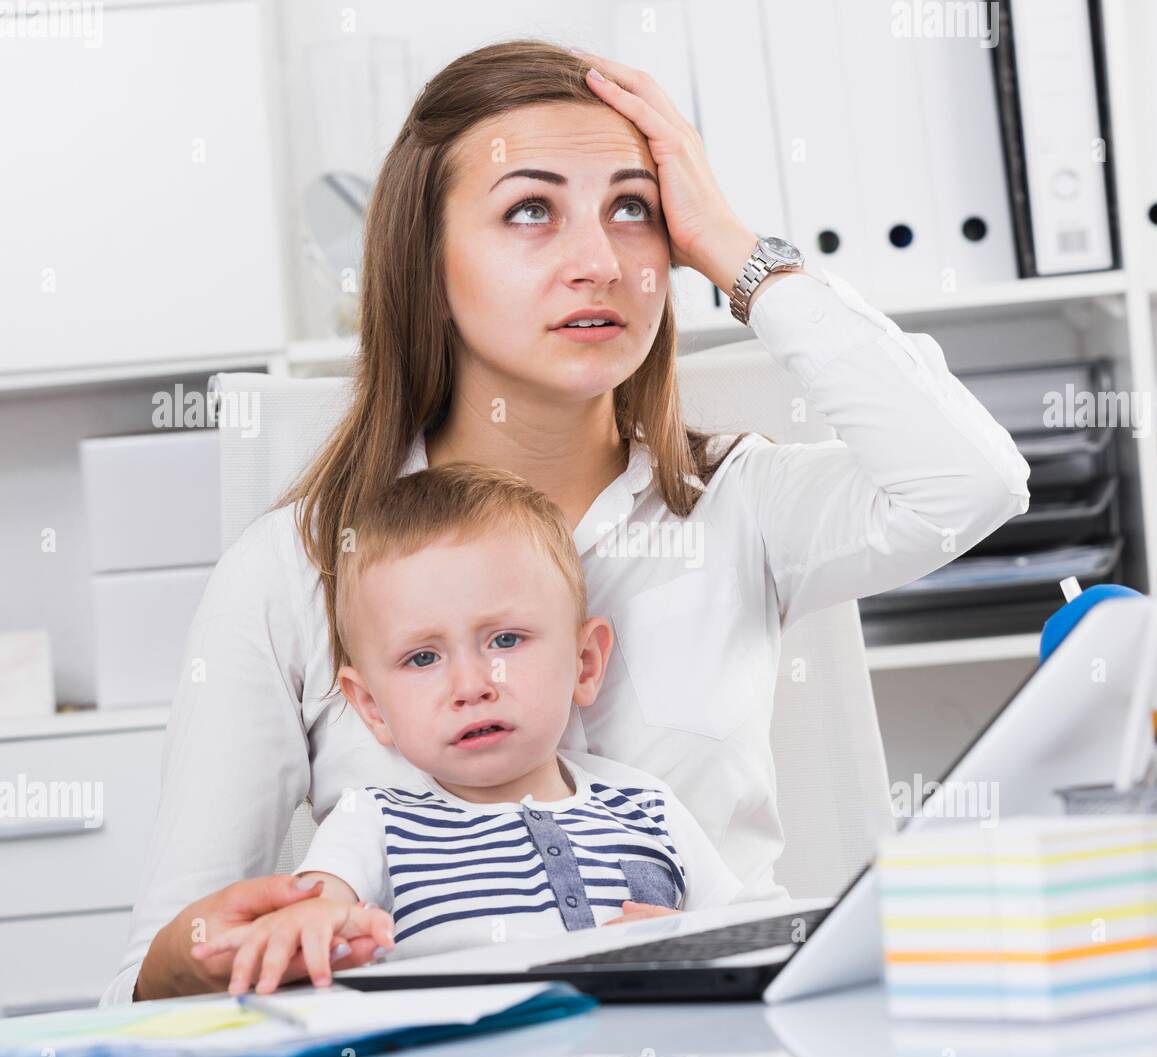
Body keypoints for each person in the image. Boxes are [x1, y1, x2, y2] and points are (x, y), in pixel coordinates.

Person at [102, 39, 1030, 1004]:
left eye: (634, 209)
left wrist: (740, 256)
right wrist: (269, 947)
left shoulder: (740, 505)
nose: (600, 262)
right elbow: (148, 983)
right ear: (427, 262)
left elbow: (972, 483)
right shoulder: (293, 568)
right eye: (530, 211)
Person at [193, 462, 745, 996]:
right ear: (372, 707)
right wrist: (309, 924)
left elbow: (753, 942)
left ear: (584, 663)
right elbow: (319, 907)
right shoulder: (375, 821)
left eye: (505, 640)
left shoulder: (648, 806)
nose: (471, 685)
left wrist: (690, 945)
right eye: (421, 658)